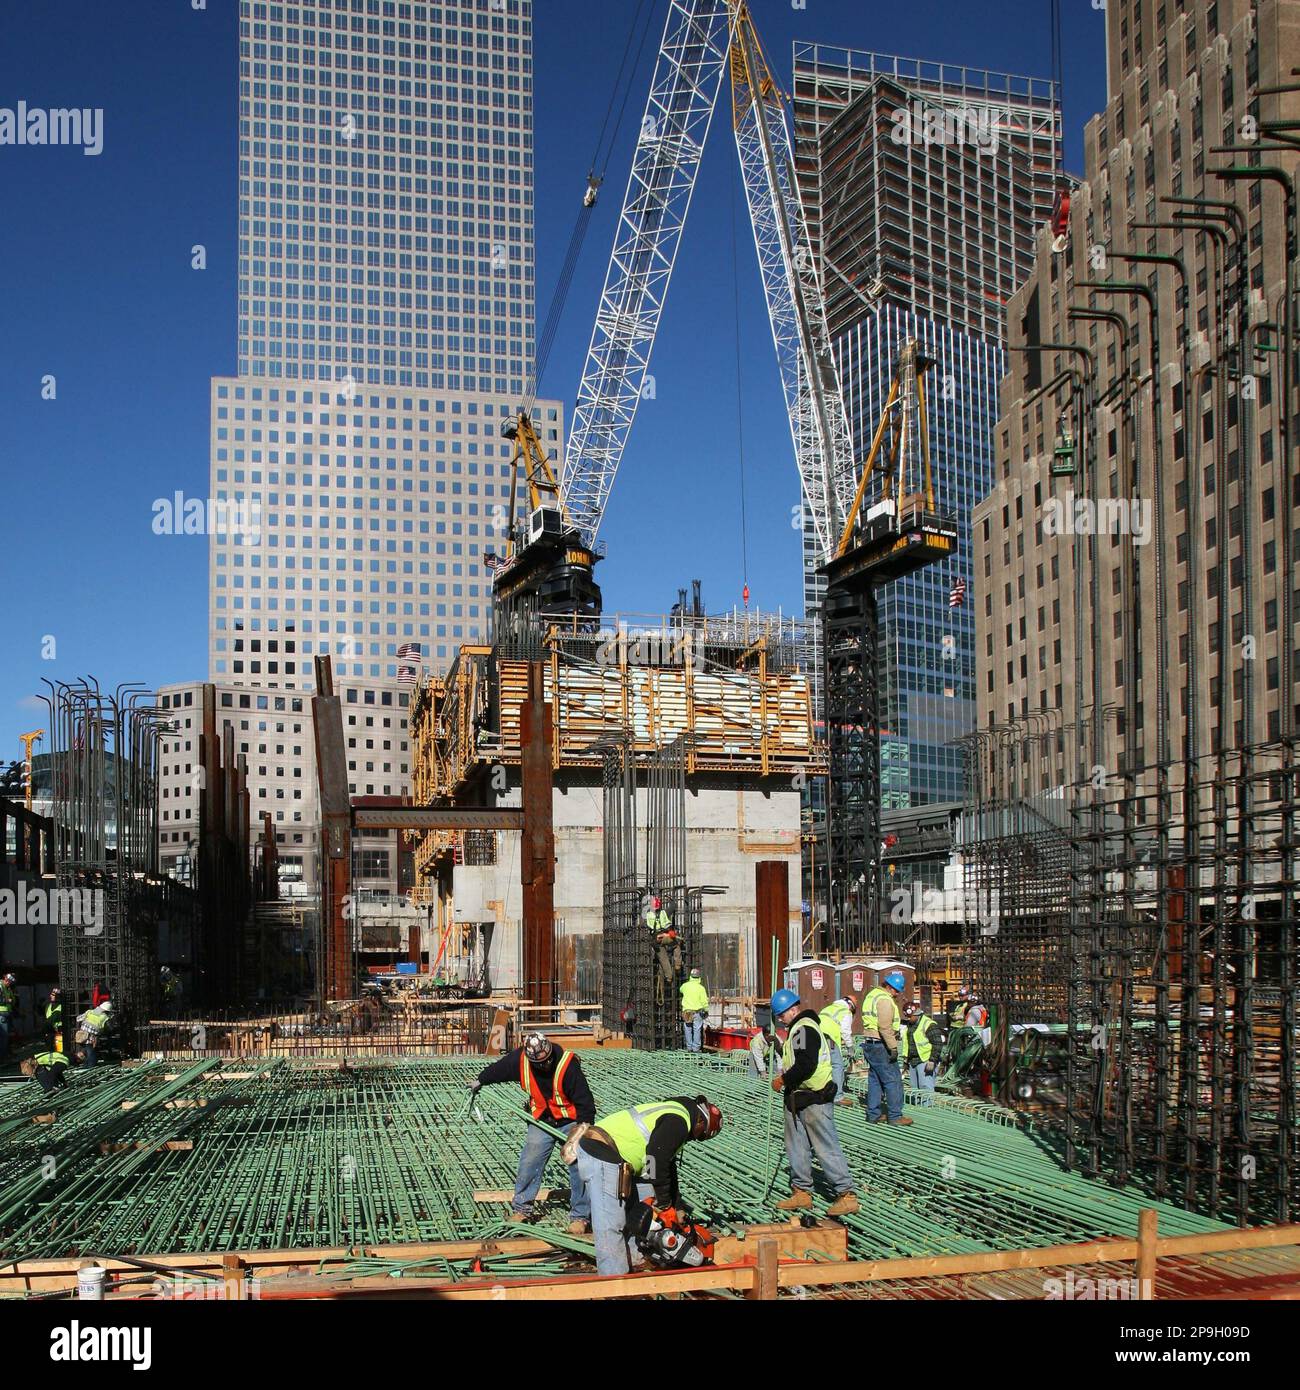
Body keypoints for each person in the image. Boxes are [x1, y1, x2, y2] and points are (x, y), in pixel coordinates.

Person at [575, 1095, 722, 1276]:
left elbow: (667, 1164)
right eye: (701, 1135)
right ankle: (614, 1281)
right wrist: (663, 1201)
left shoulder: (677, 1114)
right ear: (701, 1120)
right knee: (610, 1222)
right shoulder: (679, 1122)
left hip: (616, 1158)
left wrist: (677, 1207)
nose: (694, 1138)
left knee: (641, 1214)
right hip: (601, 1152)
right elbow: (655, 1156)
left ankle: (637, 1261)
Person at [469, 1032, 595, 1235]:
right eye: (539, 1064)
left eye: (547, 1061)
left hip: (570, 1121)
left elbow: (586, 1103)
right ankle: (522, 1209)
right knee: (530, 1160)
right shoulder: (520, 1060)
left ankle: (580, 1216)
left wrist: (582, 1132)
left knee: (578, 1164)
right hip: (542, 1119)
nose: (544, 1066)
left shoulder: (567, 1066)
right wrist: (480, 1080)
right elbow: (499, 1069)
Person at [768, 988, 859, 1216]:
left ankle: (846, 1194)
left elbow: (806, 1064)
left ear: (792, 1009)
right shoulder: (798, 1029)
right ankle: (802, 1192)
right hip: (799, 1098)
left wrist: (783, 1080)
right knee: (796, 1146)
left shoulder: (803, 1029)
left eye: (781, 1014)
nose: (780, 1019)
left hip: (814, 1098)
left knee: (825, 1147)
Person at [860, 972, 912, 1125]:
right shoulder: (884, 1000)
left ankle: (873, 1114)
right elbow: (884, 1027)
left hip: (870, 1043)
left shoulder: (872, 995)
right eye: (896, 990)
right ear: (889, 987)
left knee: (875, 1079)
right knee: (893, 1080)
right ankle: (895, 1116)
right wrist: (893, 1047)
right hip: (881, 1044)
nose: (897, 994)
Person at [899, 997, 942, 1103]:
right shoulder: (910, 1025)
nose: (908, 1019)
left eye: (910, 1017)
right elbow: (907, 1044)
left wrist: (932, 1060)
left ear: (916, 1014)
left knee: (925, 1088)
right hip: (913, 1061)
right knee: (915, 1089)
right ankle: (918, 1109)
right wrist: (906, 1061)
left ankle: (928, 1110)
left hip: (925, 1061)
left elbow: (937, 1043)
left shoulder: (929, 1025)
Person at [819, 992, 857, 1106]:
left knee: (824, 1064)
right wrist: (850, 1048)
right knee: (837, 1065)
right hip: (829, 1038)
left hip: (817, 1035)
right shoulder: (846, 1011)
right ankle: (837, 1096)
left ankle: (821, 1091)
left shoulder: (828, 1008)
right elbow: (845, 1031)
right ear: (851, 1005)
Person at [644, 893, 681, 981]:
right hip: (664, 936)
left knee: (663, 959)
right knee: (676, 944)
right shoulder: (664, 913)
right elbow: (673, 905)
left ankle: (669, 977)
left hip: (655, 939)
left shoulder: (648, 915)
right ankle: (678, 964)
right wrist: (670, 899)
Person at [77, 998, 114, 1067]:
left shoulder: (89, 1011)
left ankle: (84, 1065)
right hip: (90, 1038)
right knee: (91, 1054)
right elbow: (110, 1029)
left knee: (86, 1052)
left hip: (81, 1036)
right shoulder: (105, 1017)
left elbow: (78, 1019)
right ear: (107, 1011)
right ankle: (90, 1068)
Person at [679, 968, 709, 1052]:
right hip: (697, 1012)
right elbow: (704, 1001)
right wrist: (706, 1009)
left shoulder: (685, 986)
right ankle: (696, 1048)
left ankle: (689, 1047)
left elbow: (680, 990)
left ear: (690, 976)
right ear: (698, 977)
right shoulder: (701, 988)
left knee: (688, 1029)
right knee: (697, 1029)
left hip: (687, 1011)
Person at [0, 972, 16, 1060]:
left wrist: (12, 1001)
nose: (10, 984)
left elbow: (12, 1000)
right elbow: (4, 1000)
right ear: (6, 979)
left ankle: (7, 1053)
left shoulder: (7, 988)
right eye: (9, 982)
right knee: (3, 1036)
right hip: (1, 1015)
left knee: (8, 1036)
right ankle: (3, 1057)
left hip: (7, 1014)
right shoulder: (0, 986)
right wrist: (7, 1000)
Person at [44, 987, 63, 1052]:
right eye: (51, 994)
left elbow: (51, 1020)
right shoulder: (48, 1005)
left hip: (58, 1030)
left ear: (57, 997)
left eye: (53, 995)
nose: (50, 996)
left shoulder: (59, 1007)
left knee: (57, 1049)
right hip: (50, 1030)